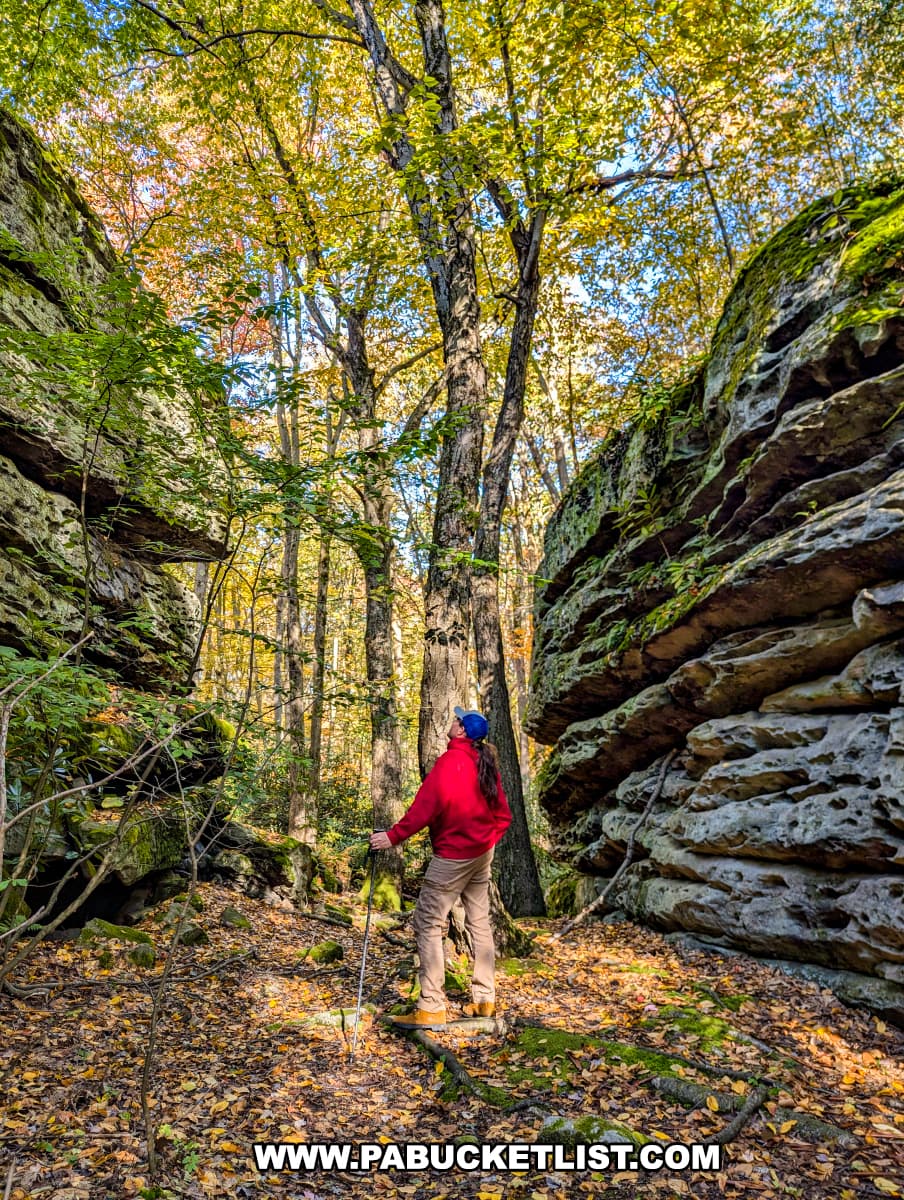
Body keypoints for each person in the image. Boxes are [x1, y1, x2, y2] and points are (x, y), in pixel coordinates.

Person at [369, 706, 512, 1029]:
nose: (452, 721)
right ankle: (484, 1000)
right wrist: (486, 841)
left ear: (461, 731)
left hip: (453, 856)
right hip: (481, 854)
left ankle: (431, 1006)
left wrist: (391, 837)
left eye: (456, 720)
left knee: (427, 922)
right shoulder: (484, 762)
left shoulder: (450, 762)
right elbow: (503, 815)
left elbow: (425, 808)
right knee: (479, 922)